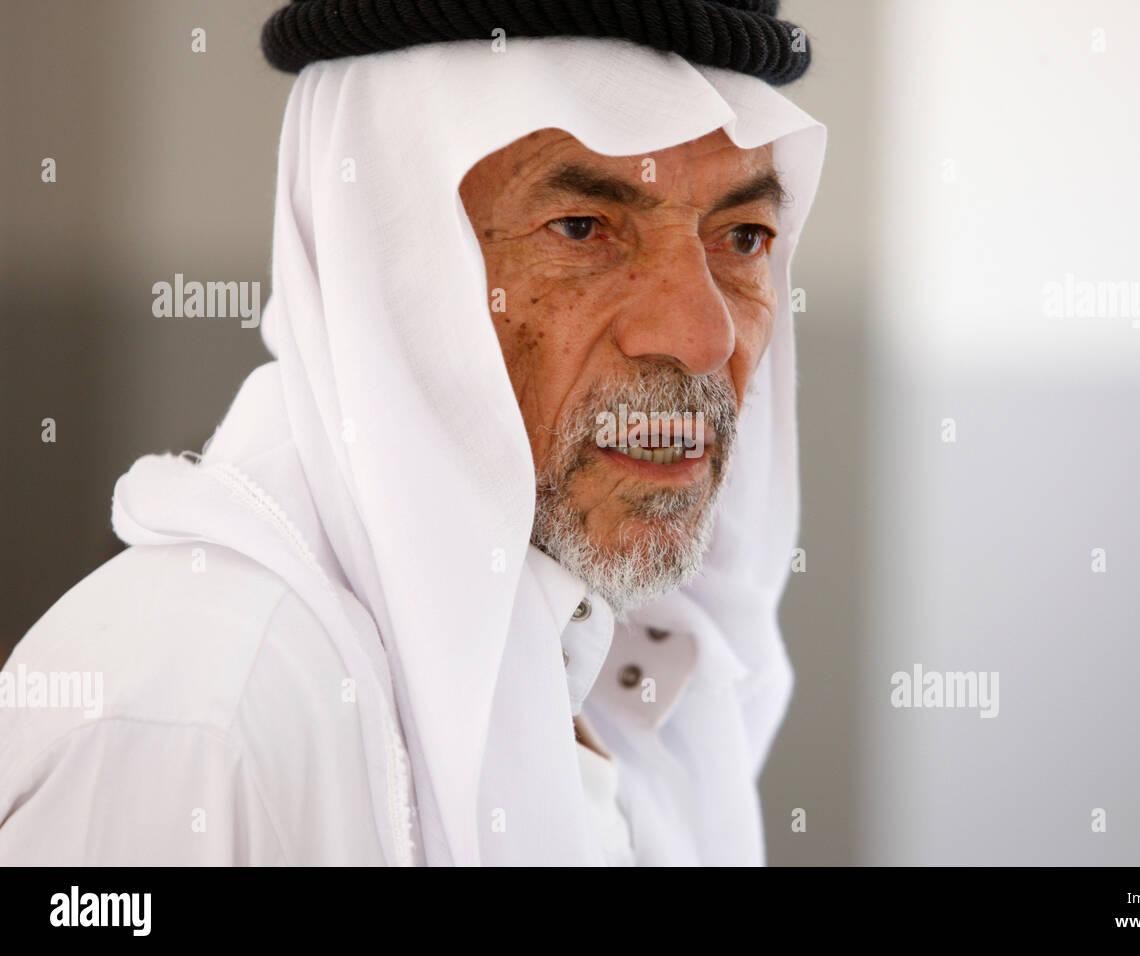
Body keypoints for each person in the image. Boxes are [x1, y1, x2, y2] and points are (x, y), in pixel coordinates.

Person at [0, 0, 825, 865]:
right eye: (582, 229)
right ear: (388, 264)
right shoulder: (197, 721)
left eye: (742, 236)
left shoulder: (622, 669)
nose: (703, 337)